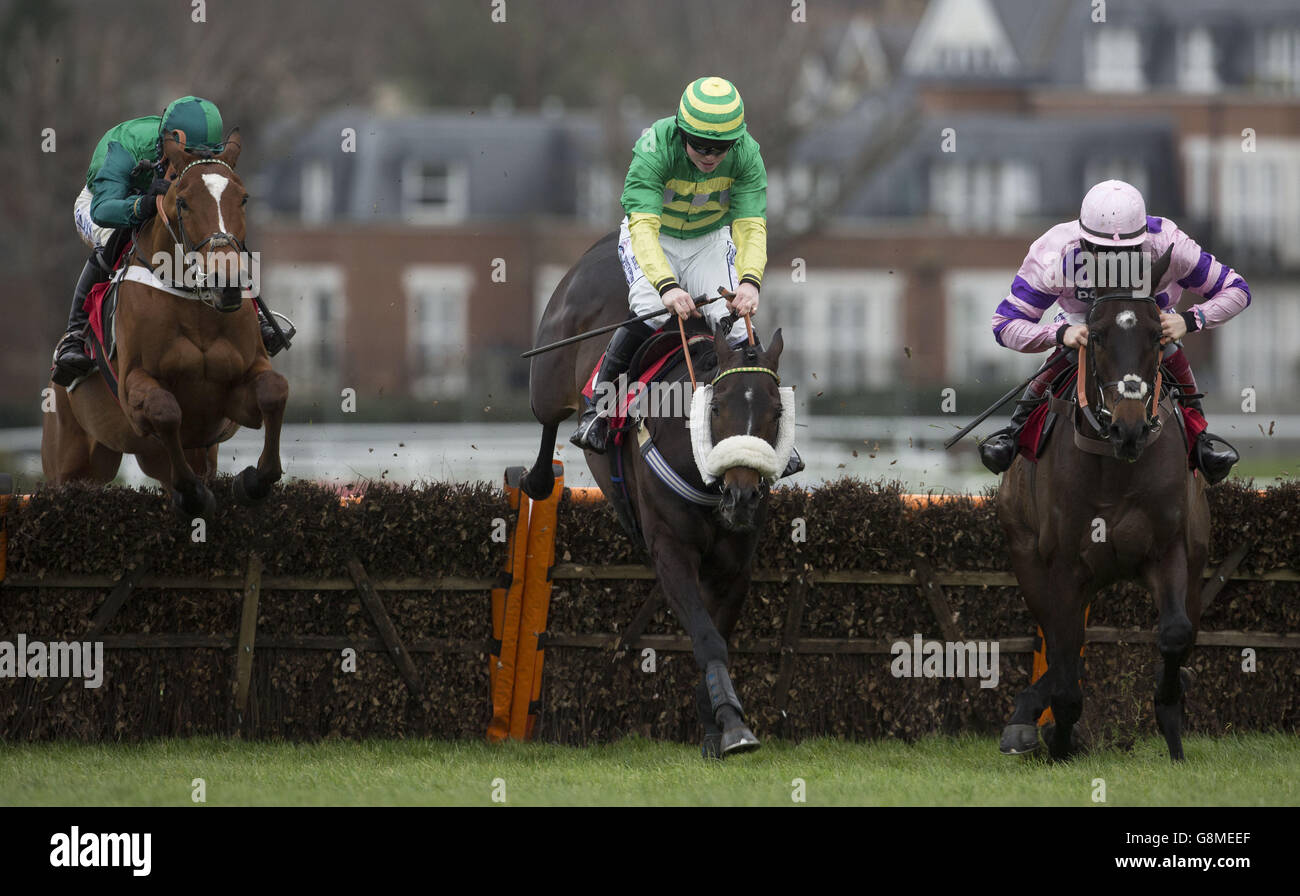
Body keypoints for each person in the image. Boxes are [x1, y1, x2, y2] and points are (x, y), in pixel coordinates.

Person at [570, 76, 801, 477]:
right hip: (654, 233)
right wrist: (667, 285)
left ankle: (777, 435)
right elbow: (642, 225)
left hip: (709, 238)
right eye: (700, 146)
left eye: (721, 148)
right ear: (681, 131)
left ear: (736, 140)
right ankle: (598, 410)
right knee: (650, 309)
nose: (710, 156)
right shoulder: (654, 148)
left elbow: (750, 224)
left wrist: (749, 281)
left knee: (733, 322)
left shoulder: (748, 154)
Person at [979, 179, 1244, 483]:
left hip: (1148, 321)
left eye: (1128, 251)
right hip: (1085, 321)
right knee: (1068, 351)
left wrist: (1190, 320)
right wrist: (1058, 333)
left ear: (1142, 237)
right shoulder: (1055, 251)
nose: (1115, 262)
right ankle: (1014, 433)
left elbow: (1236, 289)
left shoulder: (1169, 242)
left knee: (1168, 347)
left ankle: (1202, 441)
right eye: (1103, 251)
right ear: (1084, 241)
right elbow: (1004, 324)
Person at [52, 95, 288, 387]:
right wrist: (143, 205)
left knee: (216, 227)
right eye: (188, 154)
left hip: (162, 200)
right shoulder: (123, 145)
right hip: (104, 204)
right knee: (113, 239)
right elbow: (103, 210)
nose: (195, 163)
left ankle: (255, 317)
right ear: (171, 142)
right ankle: (74, 336)